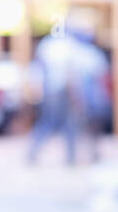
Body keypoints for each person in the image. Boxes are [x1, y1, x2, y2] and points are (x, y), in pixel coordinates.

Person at [25, 13, 108, 165]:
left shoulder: (49, 44)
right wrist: (77, 96)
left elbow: (38, 68)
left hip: (52, 91)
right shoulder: (69, 46)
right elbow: (71, 73)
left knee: (56, 122)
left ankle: (43, 155)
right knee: (64, 123)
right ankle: (69, 158)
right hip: (64, 91)